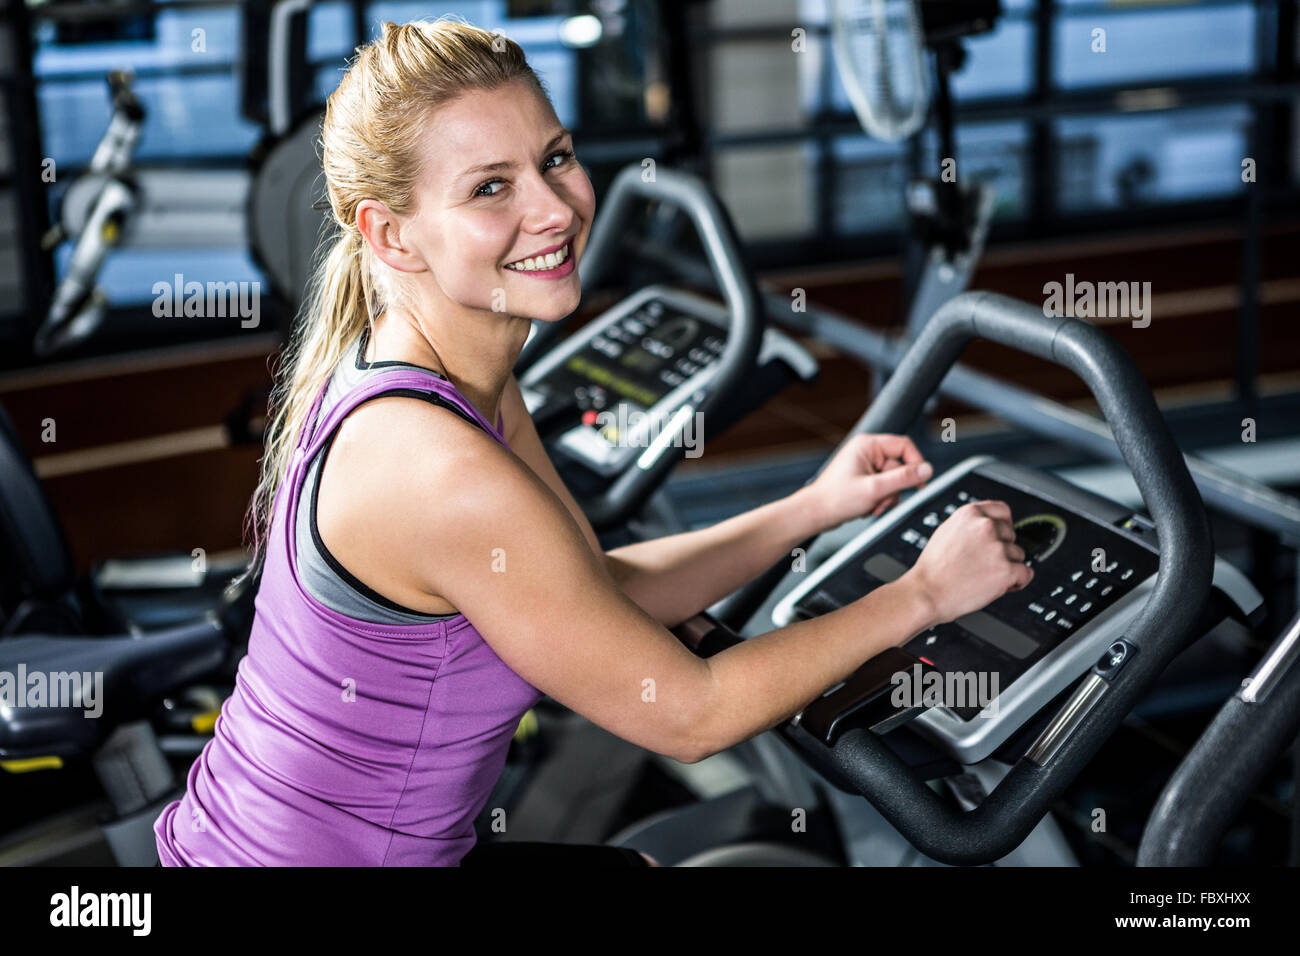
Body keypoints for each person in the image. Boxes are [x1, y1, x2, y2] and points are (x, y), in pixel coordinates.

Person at [154, 16, 1032, 868]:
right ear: (389, 233)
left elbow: (588, 594)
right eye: (490, 188)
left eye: (557, 159)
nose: (555, 209)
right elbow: (692, 715)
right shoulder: (439, 468)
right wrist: (920, 596)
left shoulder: (444, 379)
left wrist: (811, 508)